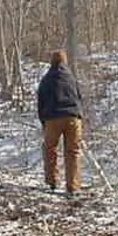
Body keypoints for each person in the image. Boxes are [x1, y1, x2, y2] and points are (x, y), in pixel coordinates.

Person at [36, 50, 85, 193]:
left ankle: (52, 181)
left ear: (51, 62)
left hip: (52, 118)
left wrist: (43, 122)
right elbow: (79, 98)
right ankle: (73, 186)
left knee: (50, 149)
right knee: (73, 151)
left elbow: (41, 102)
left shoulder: (46, 80)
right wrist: (79, 117)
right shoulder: (71, 78)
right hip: (72, 117)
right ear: (64, 61)